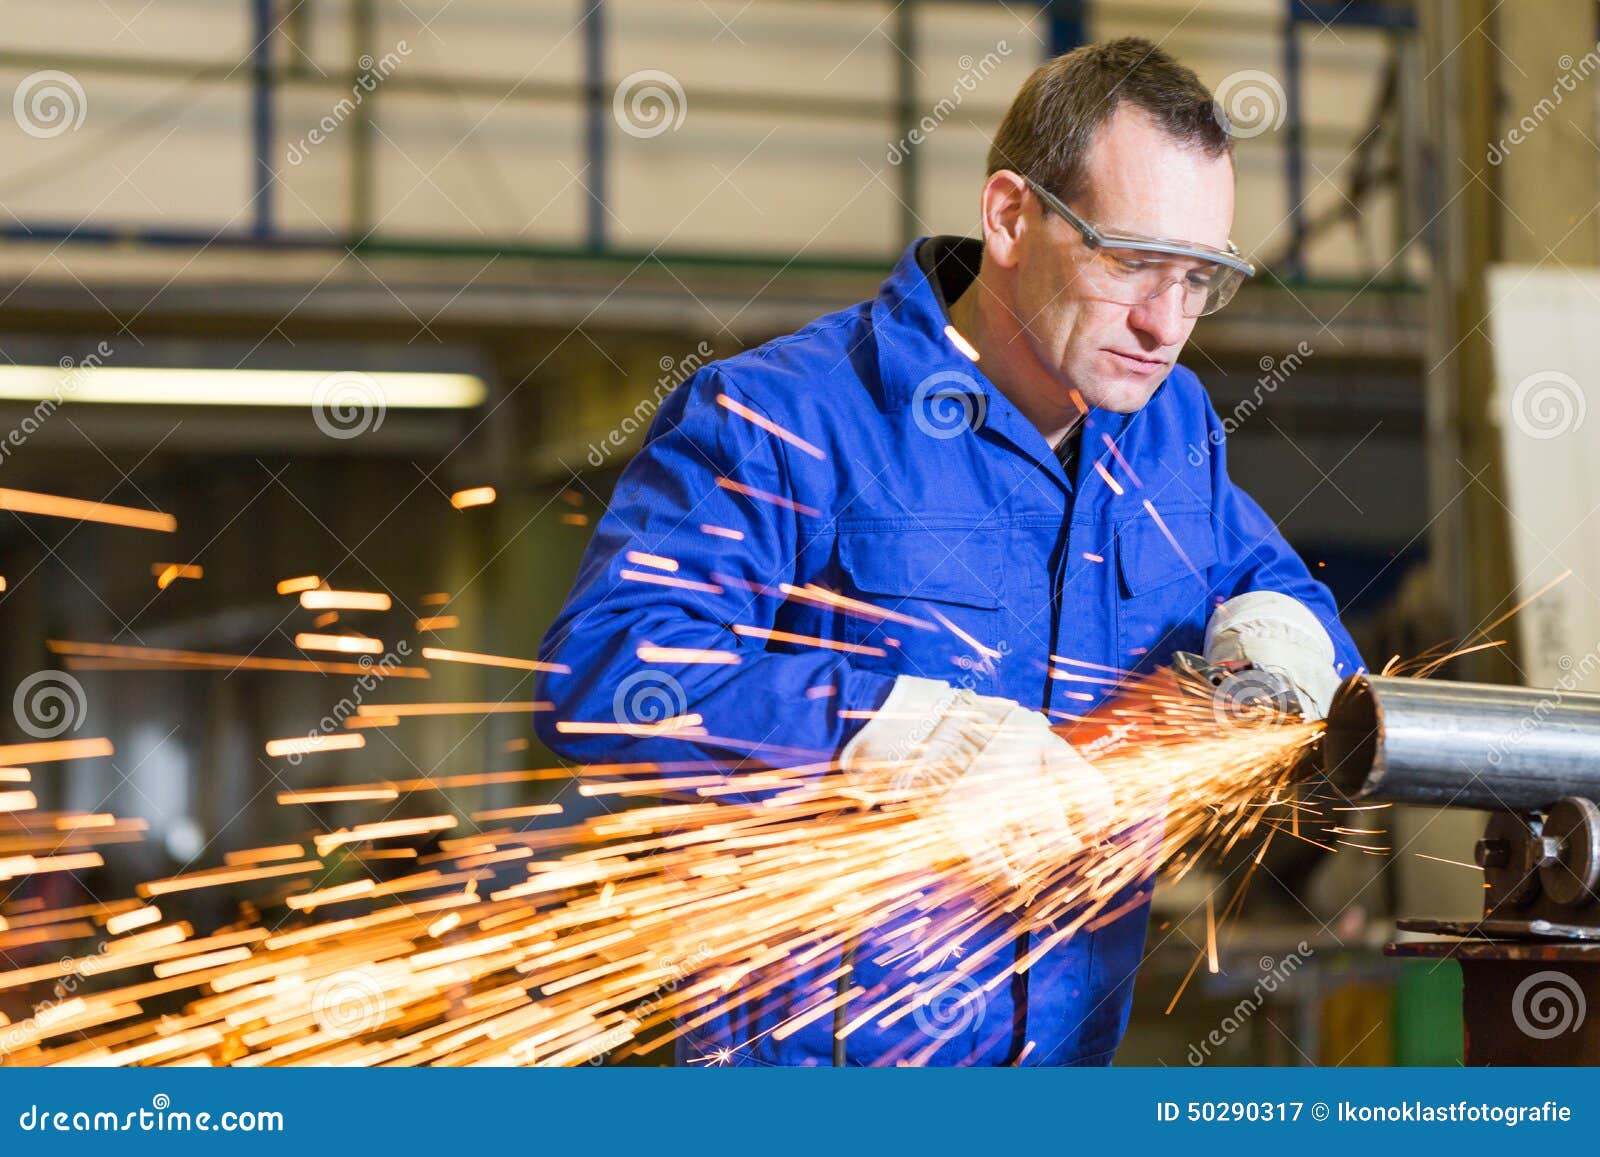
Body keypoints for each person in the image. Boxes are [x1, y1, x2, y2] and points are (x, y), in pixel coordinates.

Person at [535, 37, 1362, 1066]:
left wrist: (1285, 635)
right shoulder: (784, 417)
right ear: (1010, 216)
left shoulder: (1164, 429)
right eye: (1132, 261)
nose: (1164, 323)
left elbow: (1264, 581)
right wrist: (881, 729)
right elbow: (605, 670)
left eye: (1199, 278)